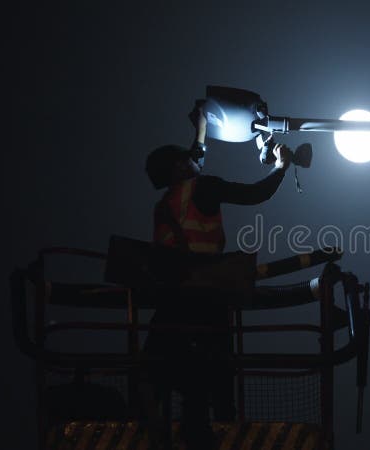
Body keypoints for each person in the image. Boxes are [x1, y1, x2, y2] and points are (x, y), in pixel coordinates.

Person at [141, 103, 292, 449]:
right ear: (181, 166)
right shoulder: (204, 188)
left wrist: (202, 127)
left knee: (155, 365)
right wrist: (282, 167)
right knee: (218, 371)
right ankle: (218, 429)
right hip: (206, 294)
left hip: (171, 295)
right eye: (188, 158)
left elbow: (194, 157)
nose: (195, 159)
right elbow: (254, 194)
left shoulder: (167, 201)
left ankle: (157, 425)